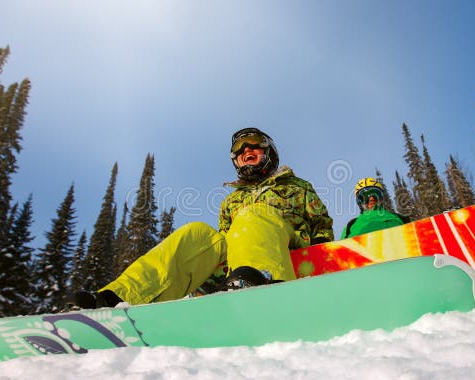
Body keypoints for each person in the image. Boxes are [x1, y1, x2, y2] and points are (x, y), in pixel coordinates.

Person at [70, 127, 334, 308]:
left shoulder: (296, 185)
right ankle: (122, 299)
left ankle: (262, 288)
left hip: (287, 251)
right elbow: (226, 240)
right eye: (240, 152)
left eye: (255, 147)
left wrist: (324, 258)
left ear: (269, 153)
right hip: (238, 267)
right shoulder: (231, 200)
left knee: (254, 215)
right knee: (196, 232)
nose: (247, 152)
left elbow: (320, 223)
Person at [341, 177, 407, 239]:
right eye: (365, 196)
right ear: (359, 201)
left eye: (376, 194)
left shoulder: (401, 219)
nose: (372, 198)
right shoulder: (350, 227)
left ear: (381, 198)